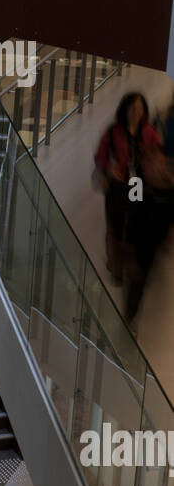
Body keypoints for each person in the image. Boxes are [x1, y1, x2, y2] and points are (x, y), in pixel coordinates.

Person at [93, 92, 166, 325]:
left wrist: (156, 165)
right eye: (132, 108)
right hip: (118, 185)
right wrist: (107, 170)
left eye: (139, 108)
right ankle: (115, 262)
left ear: (143, 111)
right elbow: (100, 157)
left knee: (132, 220)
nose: (136, 112)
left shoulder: (149, 133)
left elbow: (158, 154)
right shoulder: (113, 133)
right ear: (125, 110)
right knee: (114, 224)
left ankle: (126, 257)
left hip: (138, 185)